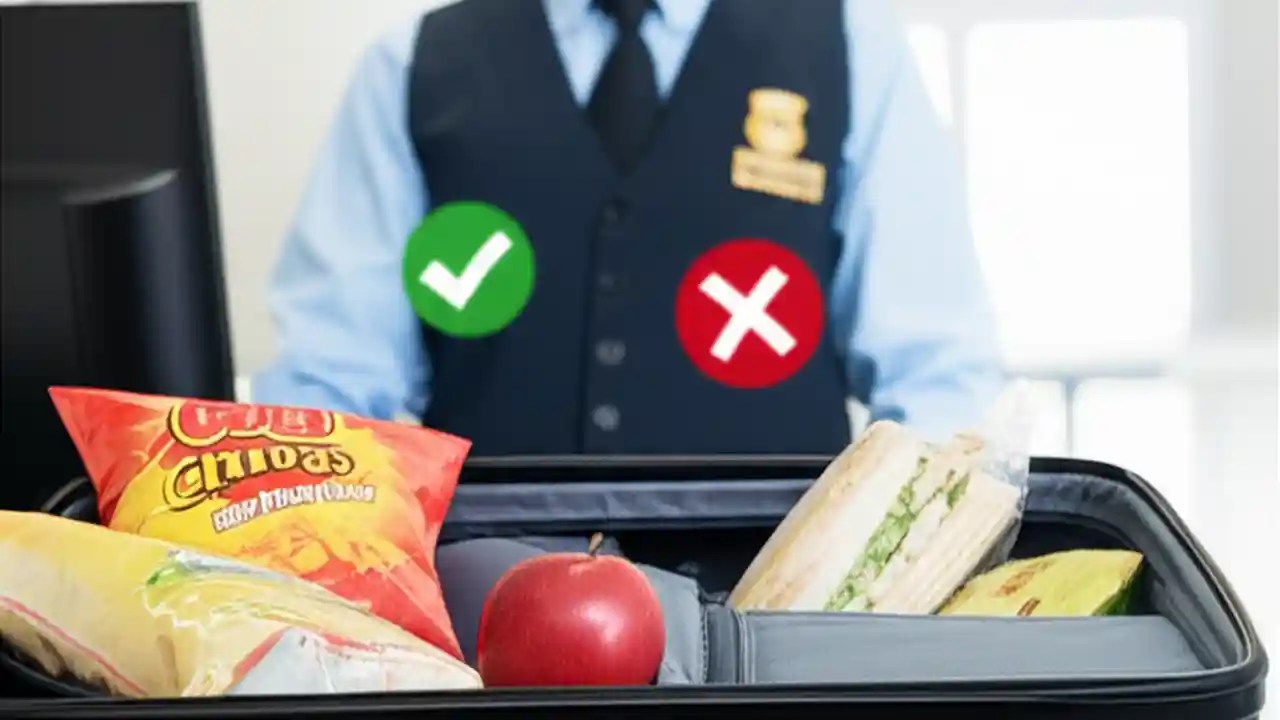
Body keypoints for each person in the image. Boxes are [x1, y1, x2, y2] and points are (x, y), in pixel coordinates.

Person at [250, 0, 1003, 457]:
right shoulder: (411, 68)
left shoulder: (852, 45)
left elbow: (936, 385)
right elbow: (328, 392)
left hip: (773, 620)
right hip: (480, 618)